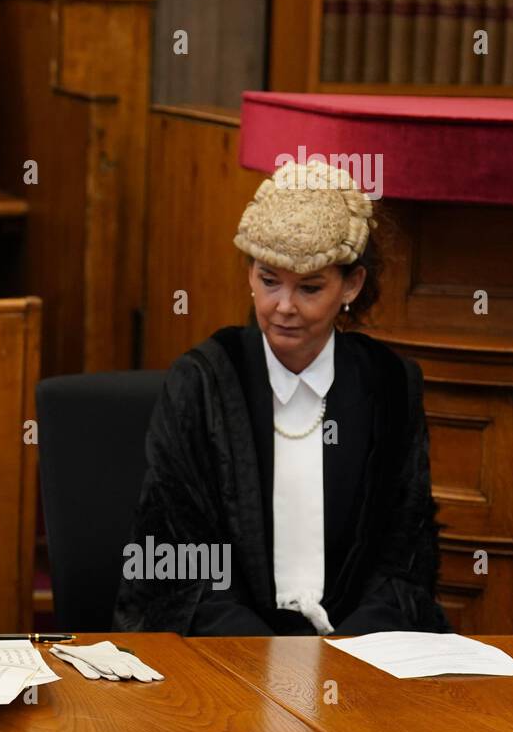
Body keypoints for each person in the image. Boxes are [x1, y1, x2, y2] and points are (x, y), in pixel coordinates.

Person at [114, 160, 450, 636]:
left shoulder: (391, 383)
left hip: (358, 653)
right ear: (250, 274)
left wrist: (349, 656)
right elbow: (178, 559)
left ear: (351, 285)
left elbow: (403, 557)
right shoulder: (203, 381)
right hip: (232, 654)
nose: (284, 307)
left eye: (310, 288)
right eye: (268, 281)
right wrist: (266, 657)